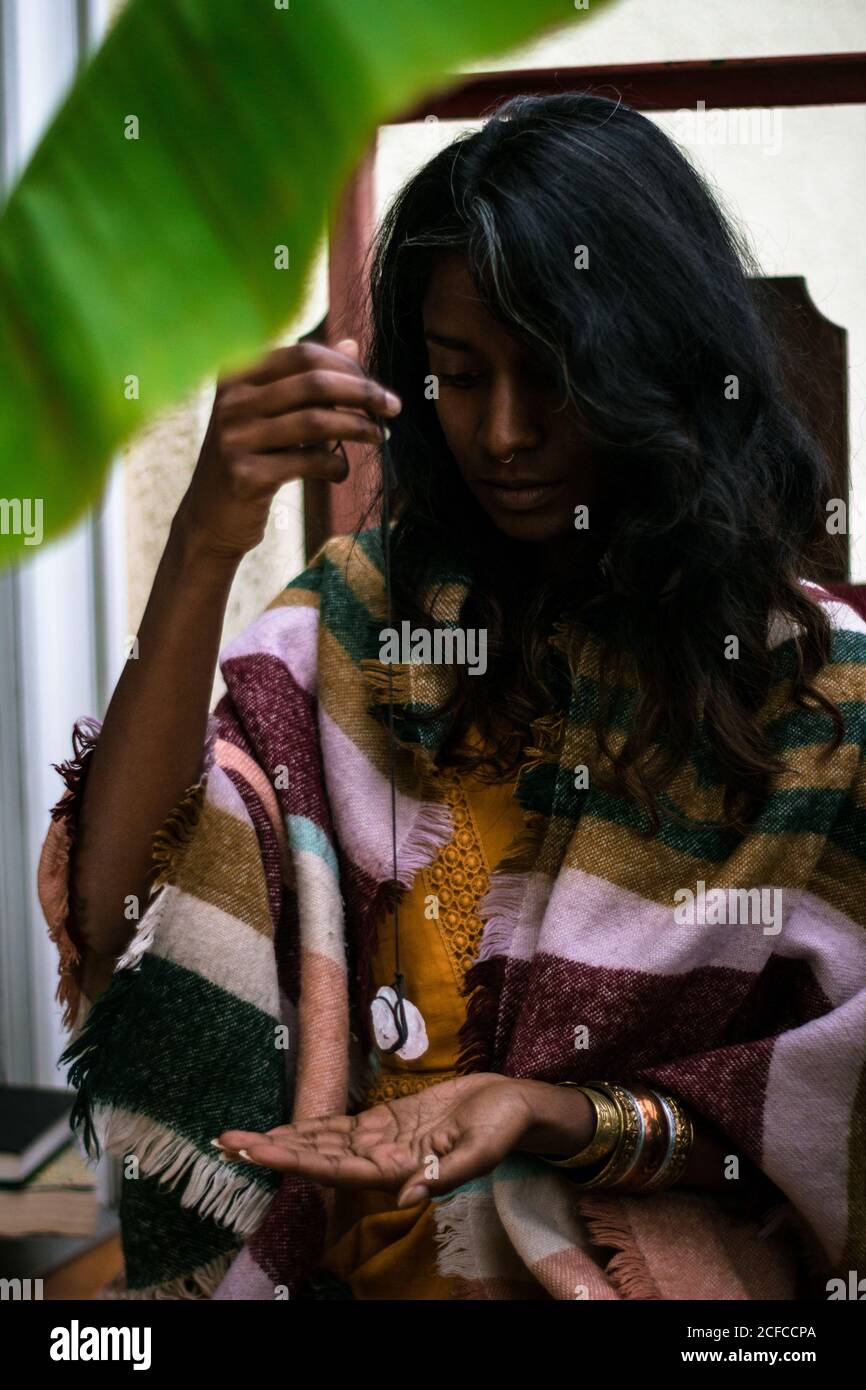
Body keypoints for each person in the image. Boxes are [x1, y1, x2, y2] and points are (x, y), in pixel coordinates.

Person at [39, 92, 866, 1301]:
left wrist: (549, 1115)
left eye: (554, 377)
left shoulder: (813, 694)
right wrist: (204, 545)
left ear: (661, 367)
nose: (502, 432)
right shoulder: (352, 628)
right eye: (458, 377)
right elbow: (127, 911)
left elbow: (825, 1107)